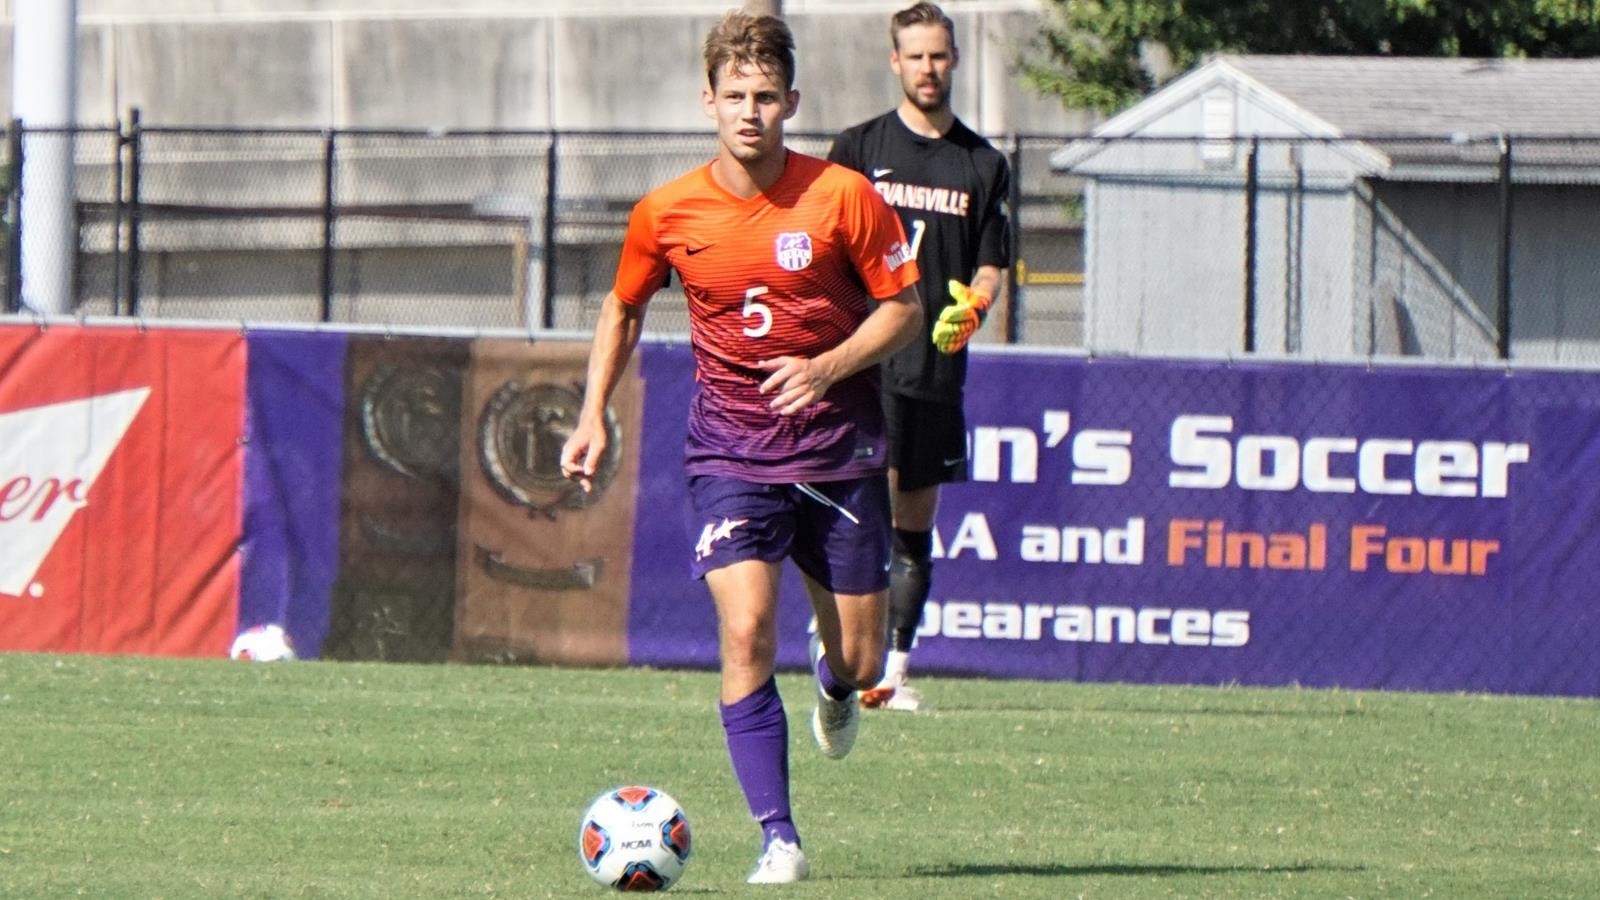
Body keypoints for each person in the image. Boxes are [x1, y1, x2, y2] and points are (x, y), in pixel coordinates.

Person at [559, 11, 922, 886]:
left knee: (864, 661)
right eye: (734, 96)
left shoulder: (844, 197)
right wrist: (591, 411)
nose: (750, 111)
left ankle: (832, 684)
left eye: (766, 96)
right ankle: (779, 836)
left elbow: (904, 311)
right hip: (731, 456)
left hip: (839, 454)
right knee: (745, 626)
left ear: (791, 100)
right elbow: (624, 307)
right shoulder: (667, 211)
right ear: (708, 101)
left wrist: (828, 365)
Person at [826, 1, 1012, 712]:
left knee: (913, 522)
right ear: (894, 61)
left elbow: (993, 263)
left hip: (934, 371)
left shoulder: (983, 162)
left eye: (939, 55)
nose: (928, 68)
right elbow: (822, 245)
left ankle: (891, 674)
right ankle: (841, 646)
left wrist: (977, 305)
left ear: (954, 60)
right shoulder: (858, 147)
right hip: (863, 361)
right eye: (916, 56)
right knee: (852, 511)